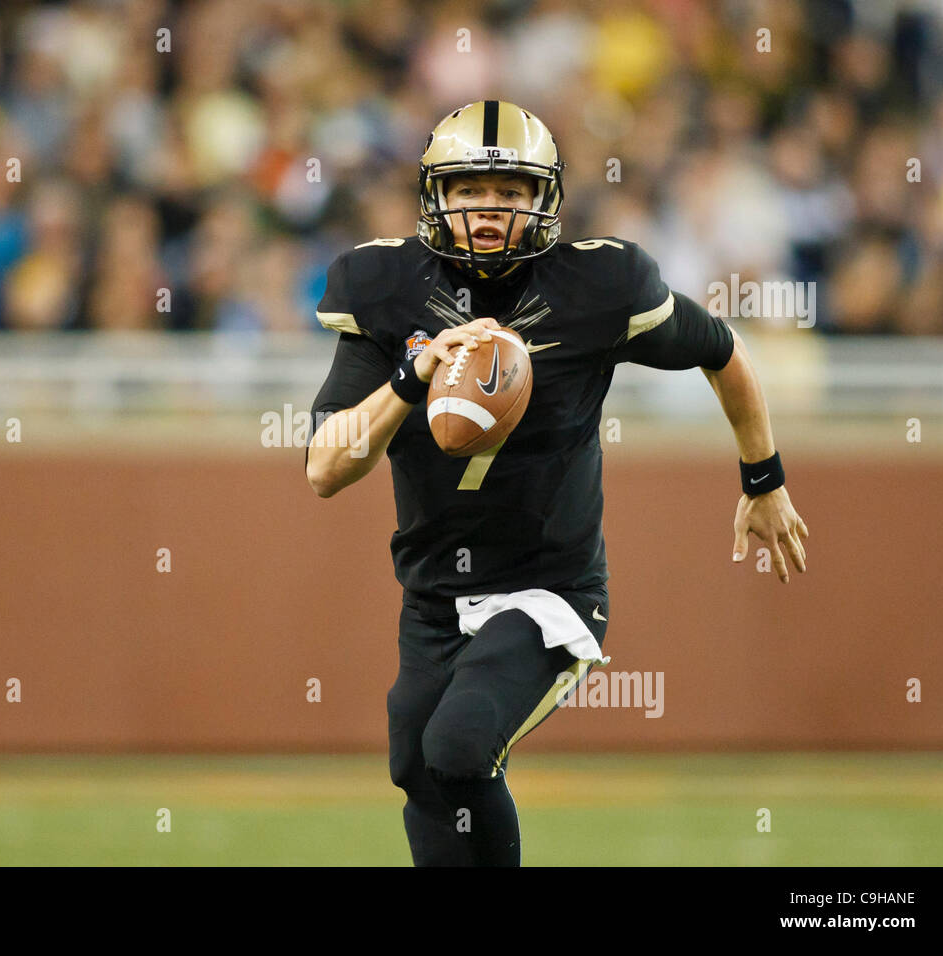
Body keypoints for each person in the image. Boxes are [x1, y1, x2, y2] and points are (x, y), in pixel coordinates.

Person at [304, 100, 809, 867]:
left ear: (545, 200)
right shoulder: (382, 286)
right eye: (470, 191)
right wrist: (413, 375)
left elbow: (721, 348)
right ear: (434, 196)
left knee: (460, 744)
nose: (488, 211)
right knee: (418, 762)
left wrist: (763, 478)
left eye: (511, 193)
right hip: (434, 591)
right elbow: (324, 469)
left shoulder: (599, 286)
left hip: (549, 589)